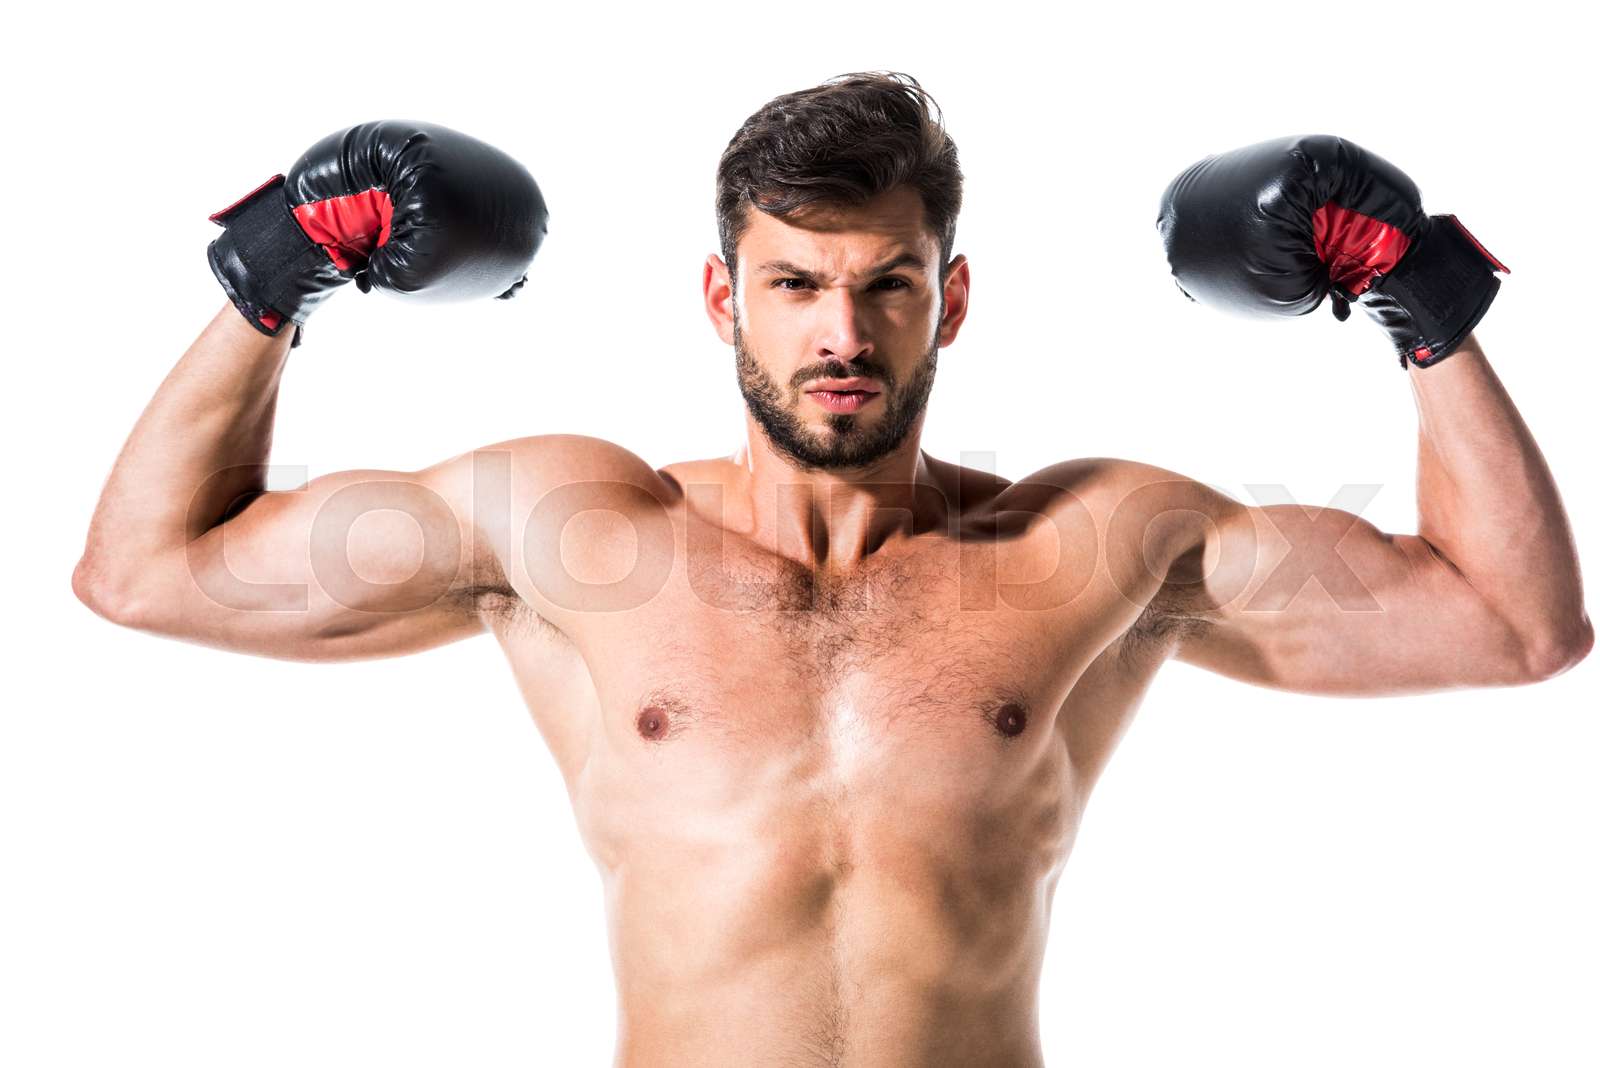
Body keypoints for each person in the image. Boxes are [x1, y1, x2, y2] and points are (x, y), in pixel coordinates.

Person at [72, 73, 1591, 1066]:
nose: (841, 335)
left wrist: (1425, 300)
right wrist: (275, 268)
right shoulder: (568, 527)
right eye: (794, 284)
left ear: (952, 299)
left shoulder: (1092, 544)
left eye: (888, 285)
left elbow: (1513, 626)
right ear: (722, 296)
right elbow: (145, 571)